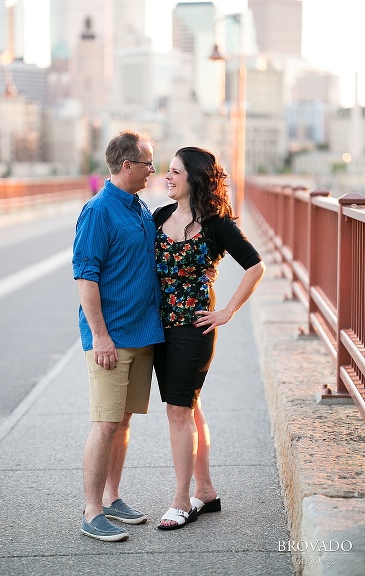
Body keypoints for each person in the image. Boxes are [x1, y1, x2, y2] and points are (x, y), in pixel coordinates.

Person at [153, 147, 265, 530]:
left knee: (179, 410)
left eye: (174, 172)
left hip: (195, 331)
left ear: (194, 179)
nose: (166, 177)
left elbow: (255, 266)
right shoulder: (160, 216)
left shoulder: (217, 224)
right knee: (188, 407)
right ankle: (207, 490)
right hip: (159, 329)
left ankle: (182, 501)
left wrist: (227, 311)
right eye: (167, 171)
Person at [72, 130, 165, 542]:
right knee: (105, 423)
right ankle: (92, 511)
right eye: (147, 163)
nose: (152, 170)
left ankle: (112, 498)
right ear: (127, 165)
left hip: (141, 334)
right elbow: (85, 276)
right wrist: (100, 337)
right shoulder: (98, 211)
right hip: (111, 339)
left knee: (123, 423)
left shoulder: (141, 206)